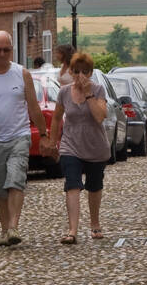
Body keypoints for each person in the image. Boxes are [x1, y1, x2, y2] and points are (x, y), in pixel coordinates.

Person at [0, 31, 50, 246]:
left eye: (6, 49)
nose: (2, 53)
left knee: (16, 180)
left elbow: (34, 107)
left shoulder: (21, 74)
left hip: (19, 135)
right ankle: (5, 229)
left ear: (11, 50)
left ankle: (14, 226)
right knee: (0, 188)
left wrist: (43, 135)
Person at [48, 51, 112, 243]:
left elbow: (100, 116)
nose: (80, 76)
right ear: (71, 72)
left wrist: (88, 94)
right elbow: (57, 117)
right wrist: (53, 142)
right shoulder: (64, 92)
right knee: (72, 185)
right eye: (76, 72)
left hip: (95, 147)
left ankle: (95, 223)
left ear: (90, 73)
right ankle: (72, 230)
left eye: (84, 72)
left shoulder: (98, 90)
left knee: (94, 186)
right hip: (70, 146)